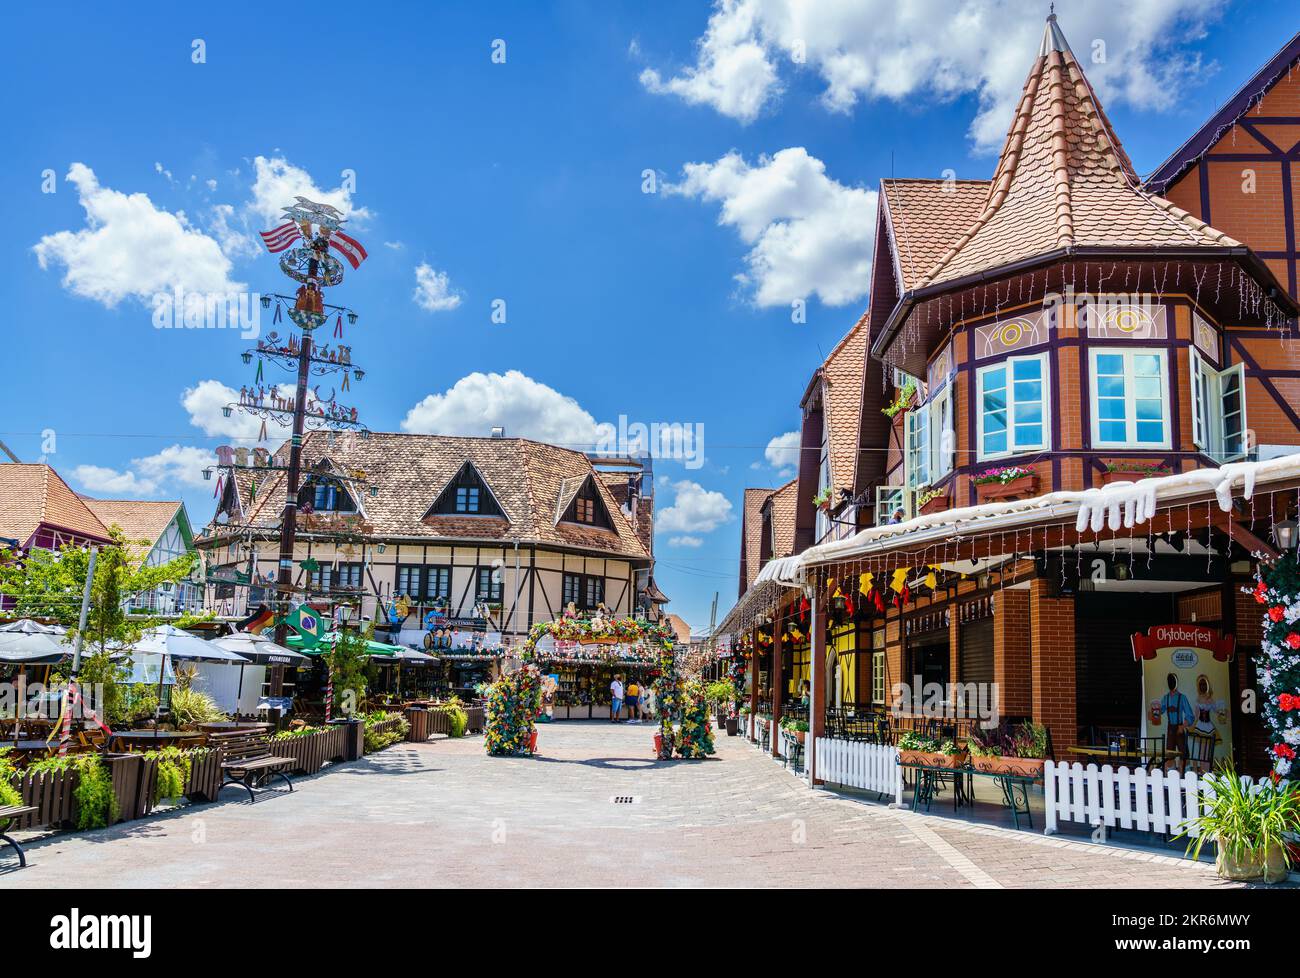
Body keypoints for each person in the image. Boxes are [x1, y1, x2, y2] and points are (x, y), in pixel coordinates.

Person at [1160, 672, 1194, 758]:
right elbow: (1159, 711)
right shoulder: (1165, 698)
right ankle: (1171, 771)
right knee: (1169, 755)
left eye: (1172, 681)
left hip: (1180, 729)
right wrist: (1154, 711)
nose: (1171, 683)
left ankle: (1185, 771)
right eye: (1169, 681)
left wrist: (1183, 726)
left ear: (1176, 682)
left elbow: (1190, 715)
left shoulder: (1182, 697)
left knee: (1183, 755)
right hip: (1170, 729)